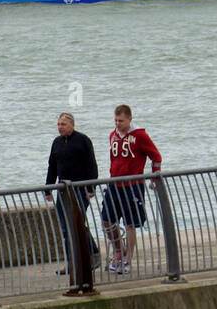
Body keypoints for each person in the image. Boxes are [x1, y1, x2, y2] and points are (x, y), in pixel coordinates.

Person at [102, 105, 161, 273]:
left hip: (132, 186)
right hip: (114, 185)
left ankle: (128, 260)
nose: (118, 124)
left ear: (129, 119)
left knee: (130, 224)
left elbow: (156, 156)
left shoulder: (140, 136)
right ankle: (119, 251)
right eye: (115, 120)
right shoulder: (112, 135)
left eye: (121, 121)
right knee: (107, 220)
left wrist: (155, 175)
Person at [44, 113, 100, 275]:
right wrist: (48, 189)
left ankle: (93, 255)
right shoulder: (56, 143)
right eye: (59, 124)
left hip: (80, 189)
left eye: (63, 124)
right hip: (63, 190)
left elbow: (92, 165)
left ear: (72, 125)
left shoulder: (83, 140)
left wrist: (91, 188)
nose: (60, 127)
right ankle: (71, 262)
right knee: (65, 227)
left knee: (77, 225)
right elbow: (52, 167)